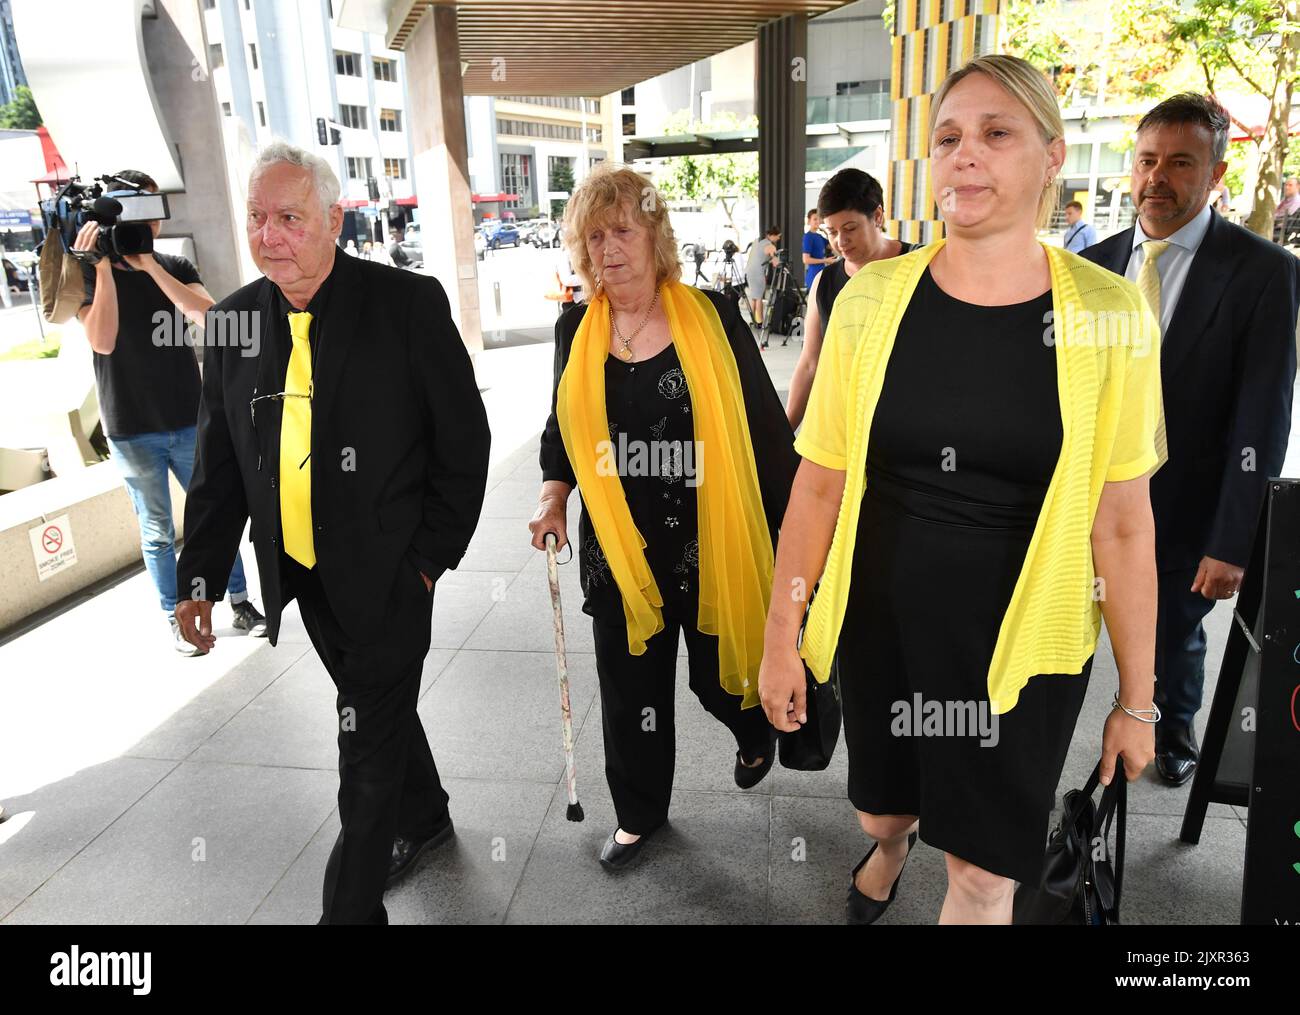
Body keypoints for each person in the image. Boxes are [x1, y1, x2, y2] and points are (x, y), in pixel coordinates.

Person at [760, 54, 1165, 925]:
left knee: (983, 879)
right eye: (948, 137)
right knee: (883, 807)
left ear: (1052, 157)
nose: (965, 155)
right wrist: (781, 633)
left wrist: (1138, 698)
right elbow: (820, 484)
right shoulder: (871, 301)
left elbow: (1124, 525)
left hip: (1023, 645)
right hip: (884, 623)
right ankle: (893, 842)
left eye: (995, 133)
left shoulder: (1109, 316)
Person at [173, 140, 491, 924]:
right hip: (302, 576)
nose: (269, 234)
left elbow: (464, 444)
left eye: (289, 216)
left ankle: (349, 912)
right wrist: (201, 578)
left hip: (391, 573)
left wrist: (426, 563)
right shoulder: (235, 323)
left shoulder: (406, 306)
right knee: (374, 705)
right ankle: (427, 813)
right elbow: (220, 469)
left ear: (334, 219)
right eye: (257, 217)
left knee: (364, 747)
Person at [529, 164, 798, 870]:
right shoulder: (574, 330)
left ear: (655, 236)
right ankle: (639, 813)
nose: (608, 248)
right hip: (618, 548)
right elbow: (561, 428)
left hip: (711, 541)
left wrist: (801, 537)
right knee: (629, 693)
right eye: (594, 235)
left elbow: (767, 433)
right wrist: (553, 494)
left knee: (718, 676)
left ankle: (750, 730)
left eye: (622, 230)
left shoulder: (711, 316)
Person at [1080, 94, 1300, 786]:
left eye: (1180, 163)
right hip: (1085, 497)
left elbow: (1262, 414)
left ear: (1216, 172)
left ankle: (1172, 730)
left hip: (1186, 505)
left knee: (1174, 633)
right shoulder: (1095, 263)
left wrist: (1231, 540)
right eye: (1147, 160)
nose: (1157, 178)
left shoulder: (1262, 271)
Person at [75, 168, 267, 655]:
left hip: (188, 416)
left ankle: (239, 602)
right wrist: (102, 268)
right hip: (130, 425)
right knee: (157, 529)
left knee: (213, 514)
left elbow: (212, 318)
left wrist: (149, 265)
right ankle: (174, 615)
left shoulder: (174, 265)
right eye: (133, 211)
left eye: (153, 212)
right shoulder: (83, 273)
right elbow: (102, 339)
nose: (148, 222)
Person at [786, 169, 914, 430]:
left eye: (850, 228)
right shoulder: (825, 283)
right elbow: (811, 364)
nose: (840, 242)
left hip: (907, 423)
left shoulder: (920, 266)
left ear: (877, 216)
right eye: (831, 232)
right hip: (842, 425)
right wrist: (784, 431)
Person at [745, 225, 781, 328]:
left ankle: (753, 320)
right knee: (759, 297)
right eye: (778, 236)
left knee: (754, 297)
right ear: (773, 235)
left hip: (750, 271)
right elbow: (775, 262)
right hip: (758, 273)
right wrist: (777, 261)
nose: (778, 239)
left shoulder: (757, 241)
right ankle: (760, 322)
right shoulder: (771, 246)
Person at [801, 208, 835, 288]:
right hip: (813, 274)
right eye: (815, 219)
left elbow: (833, 246)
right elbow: (806, 260)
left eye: (819, 219)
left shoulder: (819, 236)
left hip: (822, 272)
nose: (818, 221)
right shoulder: (808, 237)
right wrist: (825, 260)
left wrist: (826, 232)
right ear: (809, 221)